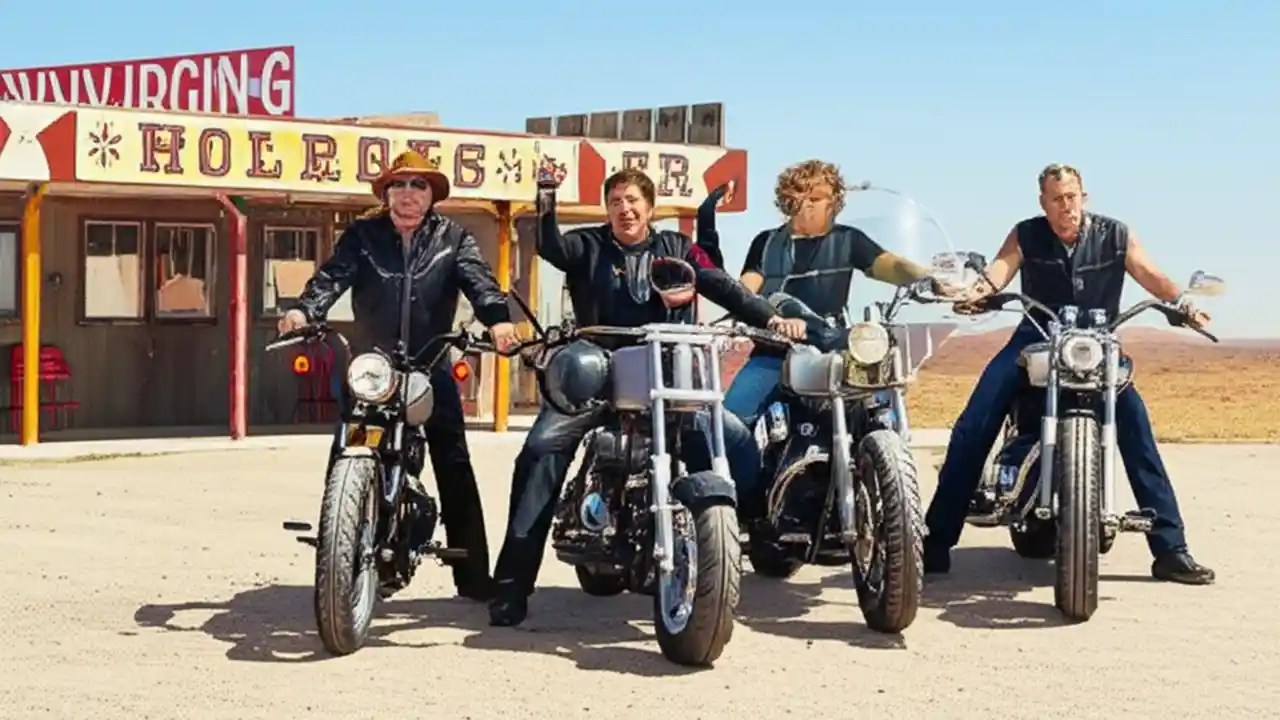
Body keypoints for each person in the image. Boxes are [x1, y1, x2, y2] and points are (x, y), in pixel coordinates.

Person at [487, 167, 807, 627]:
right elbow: (550, 246)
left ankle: (755, 539)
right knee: (541, 450)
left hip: (663, 369)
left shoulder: (677, 248)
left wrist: (770, 318)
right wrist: (547, 196)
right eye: (615, 200)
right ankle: (511, 586)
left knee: (724, 438)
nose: (625, 209)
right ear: (607, 208)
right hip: (595, 371)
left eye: (633, 200)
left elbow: (718, 281)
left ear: (650, 207)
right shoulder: (587, 245)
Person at [922, 162, 1215, 585]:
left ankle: (1172, 549)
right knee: (976, 419)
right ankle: (935, 541)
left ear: (1084, 197)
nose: (1066, 207)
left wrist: (1183, 302)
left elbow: (1151, 274)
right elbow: (998, 273)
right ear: (1043, 203)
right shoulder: (1026, 233)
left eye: (1072, 197)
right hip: (1034, 337)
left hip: (1096, 344)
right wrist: (972, 294)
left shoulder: (1115, 234)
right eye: (1056, 199)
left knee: (1136, 425)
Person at [277, 149, 519, 601]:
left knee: (454, 461)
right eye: (400, 185)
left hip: (430, 364)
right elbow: (332, 277)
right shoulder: (364, 236)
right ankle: (339, 558)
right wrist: (303, 311)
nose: (408, 194)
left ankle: (473, 577)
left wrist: (498, 320)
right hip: (374, 367)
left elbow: (480, 282)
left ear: (431, 196)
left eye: (418, 185)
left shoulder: (454, 238)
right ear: (387, 194)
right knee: (347, 450)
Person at [717, 159, 960, 521]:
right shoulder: (766, 243)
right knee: (730, 420)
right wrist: (737, 303)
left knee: (877, 404)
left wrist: (930, 279)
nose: (821, 205)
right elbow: (747, 287)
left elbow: (889, 265)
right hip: (774, 349)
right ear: (791, 200)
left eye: (827, 197)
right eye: (810, 197)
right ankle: (744, 505)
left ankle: (881, 484)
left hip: (831, 345)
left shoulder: (848, 240)